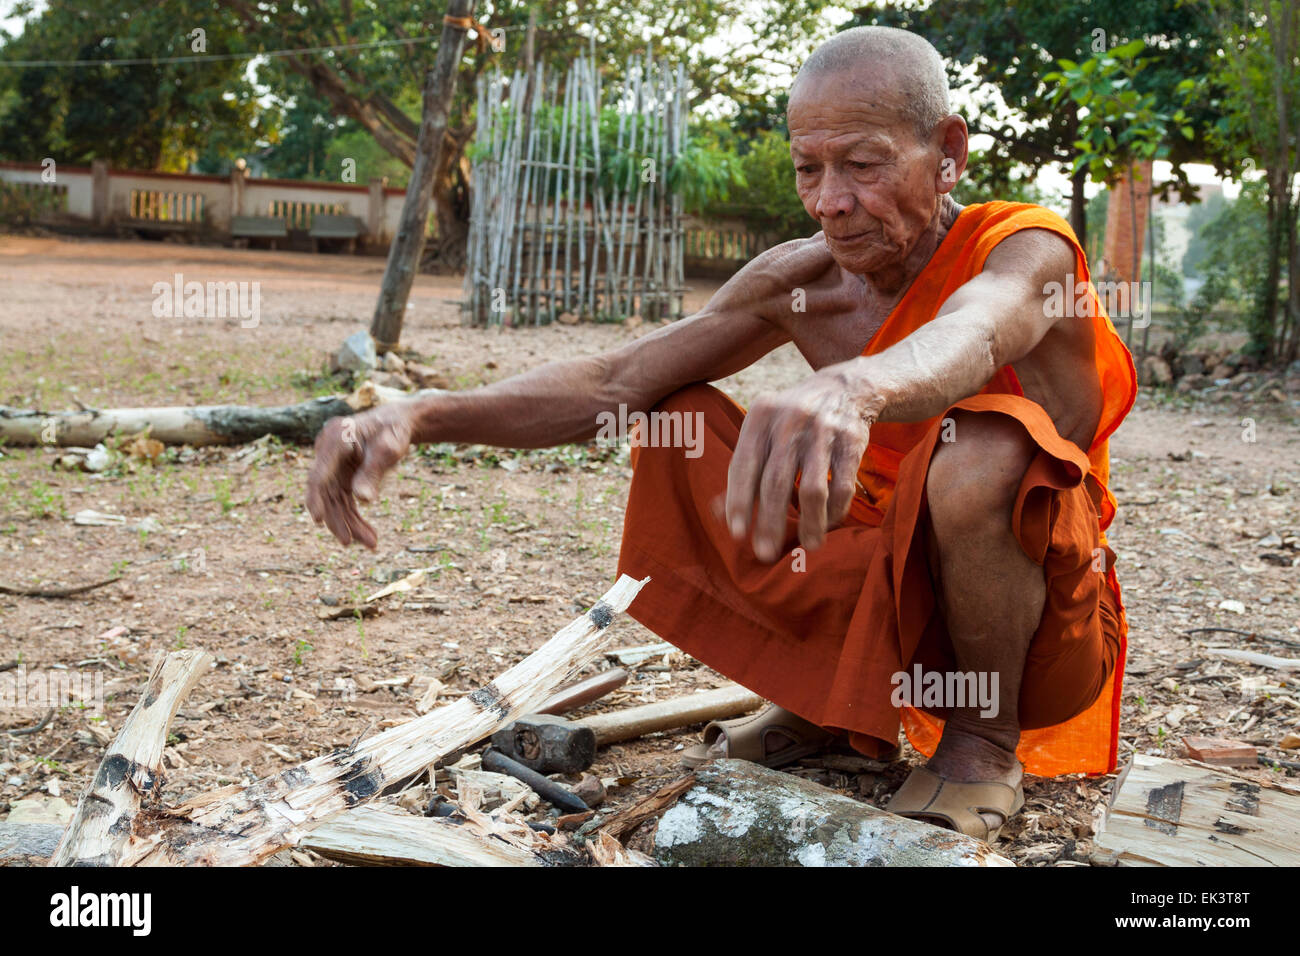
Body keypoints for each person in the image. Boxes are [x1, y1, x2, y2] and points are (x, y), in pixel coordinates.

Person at [306, 25, 1136, 843]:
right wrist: (422, 412)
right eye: (809, 168)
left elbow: (980, 331)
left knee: (982, 445)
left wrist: (861, 381)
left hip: (1033, 630)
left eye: (863, 165)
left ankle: (981, 744)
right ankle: (824, 702)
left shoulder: (1023, 250)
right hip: (878, 598)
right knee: (682, 420)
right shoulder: (804, 280)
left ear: (947, 151)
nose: (830, 202)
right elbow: (618, 382)